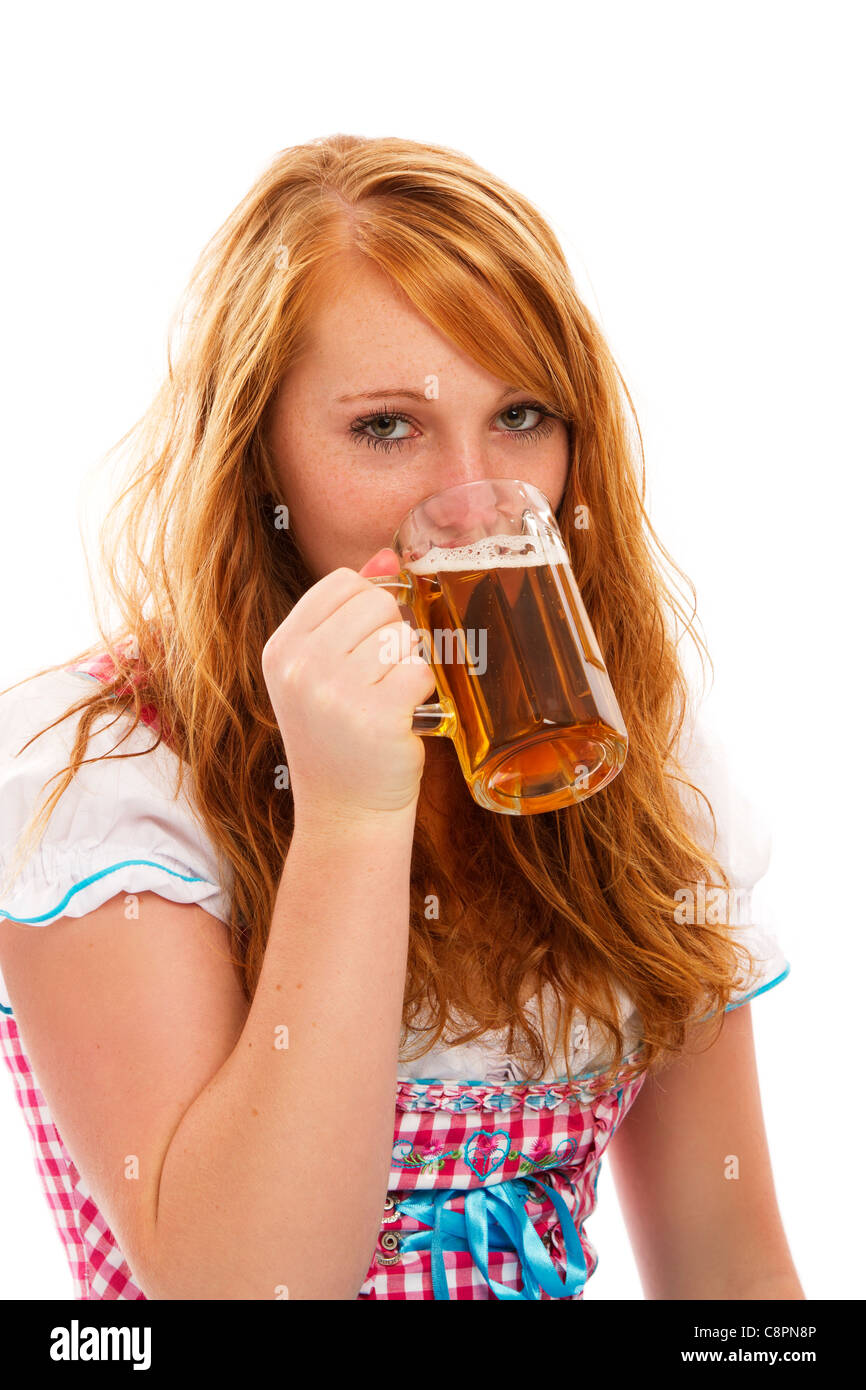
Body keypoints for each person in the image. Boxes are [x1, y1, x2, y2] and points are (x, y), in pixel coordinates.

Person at [0, 133, 802, 1301]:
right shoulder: (107, 769)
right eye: (386, 426)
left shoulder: (630, 751)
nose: (475, 499)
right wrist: (349, 815)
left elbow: (725, 1278)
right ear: (258, 457)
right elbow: (243, 1289)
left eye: (522, 415)